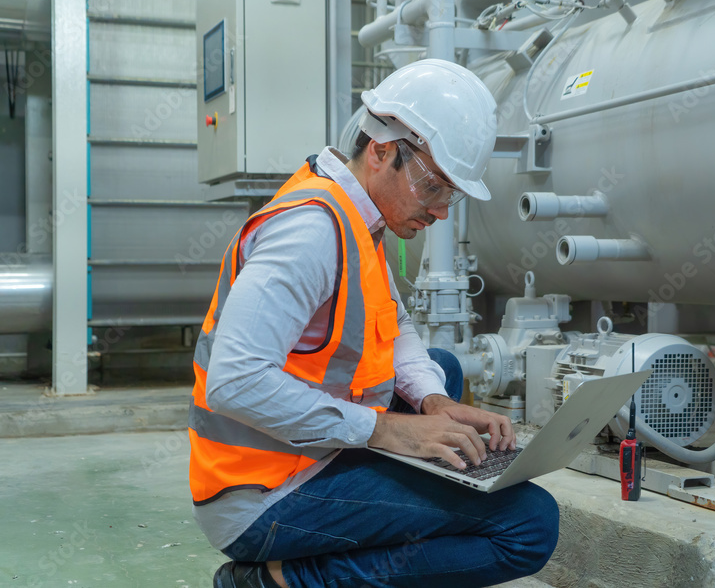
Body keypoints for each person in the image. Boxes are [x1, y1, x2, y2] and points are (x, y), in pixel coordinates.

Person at [189, 58, 560, 588]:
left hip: (309, 453)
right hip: (258, 494)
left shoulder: (357, 217)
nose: (440, 212)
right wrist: (390, 431)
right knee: (529, 524)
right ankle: (278, 581)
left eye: (449, 194)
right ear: (383, 152)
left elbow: (397, 326)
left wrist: (435, 404)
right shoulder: (311, 234)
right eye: (434, 187)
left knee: (442, 370)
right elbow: (235, 381)